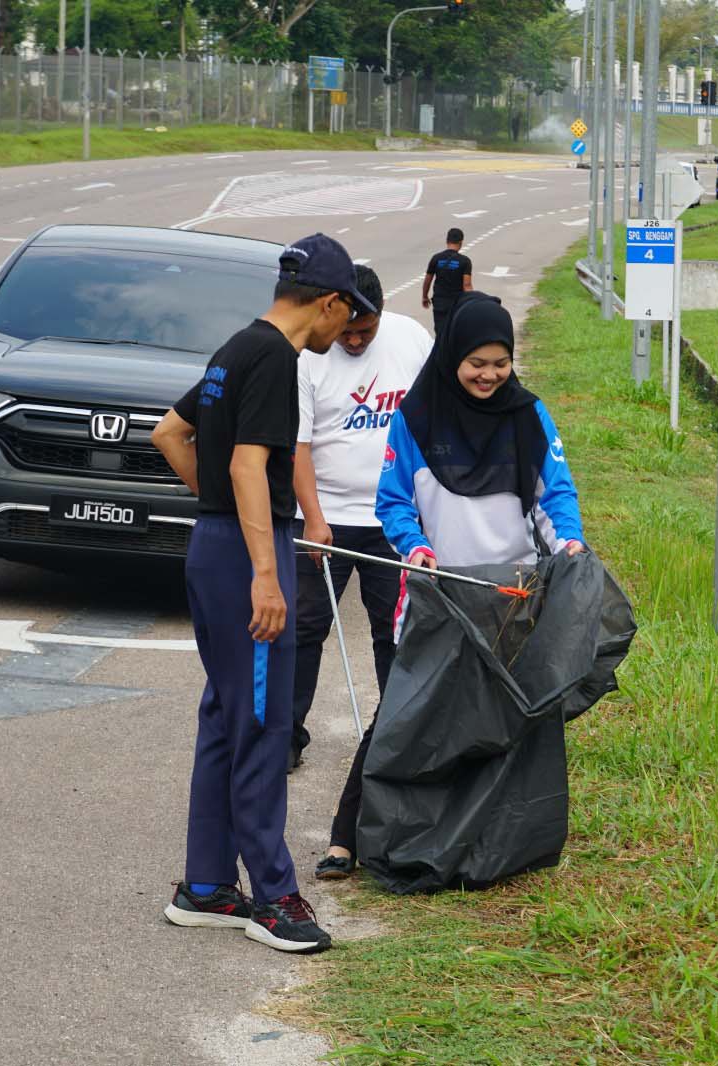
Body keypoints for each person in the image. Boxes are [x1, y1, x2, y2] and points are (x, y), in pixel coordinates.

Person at [315, 291, 585, 879]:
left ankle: (488, 840)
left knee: (502, 718)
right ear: (453, 356)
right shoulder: (415, 418)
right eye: (477, 362)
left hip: (513, 596)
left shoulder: (530, 416)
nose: (489, 375)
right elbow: (393, 501)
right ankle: (346, 838)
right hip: (436, 593)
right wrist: (417, 548)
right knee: (407, 710)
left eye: (501, 362)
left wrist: (570, 541)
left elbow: (555, 495)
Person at [149, 232, 357, 954]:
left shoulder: (235, 348)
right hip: (245, 555)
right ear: (327, 302)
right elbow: (246, 466)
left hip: (215, 548)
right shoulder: (275, 357)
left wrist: (217, 518)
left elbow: (170, 433)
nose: (346, 328)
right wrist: (266, 571)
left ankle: (206, 887)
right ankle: (272, 898)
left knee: (225, 717)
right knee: (265, 726)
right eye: (346, 313)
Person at [290, 264, 430, 774]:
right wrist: (313, 519)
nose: (352, 340)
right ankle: (287, 736)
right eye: (346, 328)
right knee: (304, 629)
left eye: (363, 332)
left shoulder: (412, 339)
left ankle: (396, 739)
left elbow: (436, 419)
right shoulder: (311, 355)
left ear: (381, 315)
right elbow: (297, 446)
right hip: (323, 519)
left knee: (394, 633)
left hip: (395, 520)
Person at [421, 228, 473, 335]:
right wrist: (471, 303)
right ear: (461, 242)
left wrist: (425, 296)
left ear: (447, 241)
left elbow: (428, 280)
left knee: (440, 332)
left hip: (439, 302)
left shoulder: (436, 258)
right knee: (455, 332)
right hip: (457, 304)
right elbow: (467, 285)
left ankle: (440, 349)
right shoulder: (465, 261)